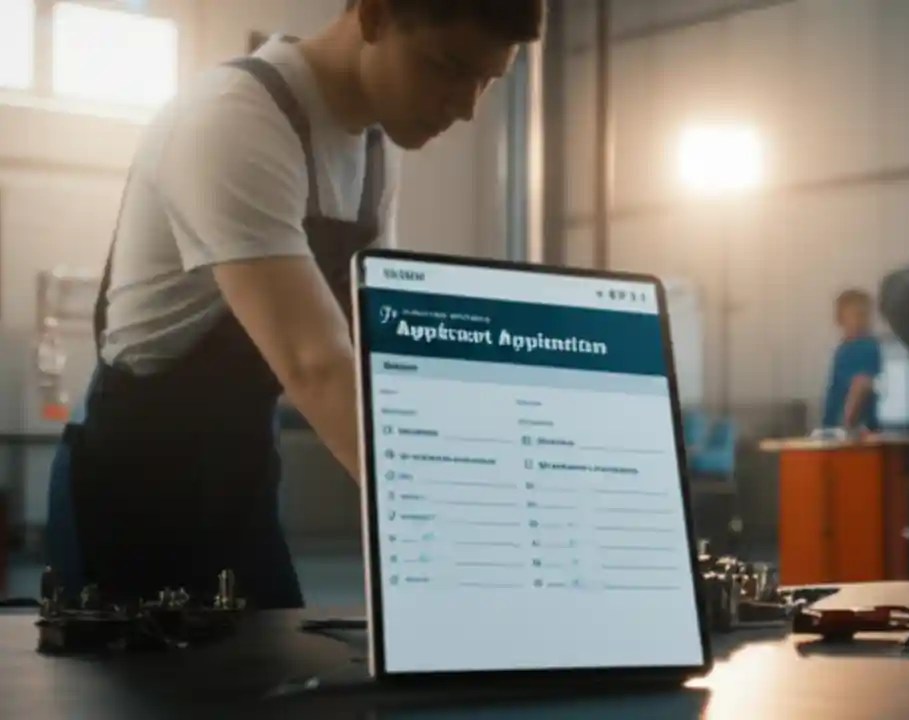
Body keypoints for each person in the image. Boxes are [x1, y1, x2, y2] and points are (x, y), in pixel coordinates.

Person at [45, 0, 545, 609]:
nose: (467, 107)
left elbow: (375, 349)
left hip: (243, 474)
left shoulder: (374, 155)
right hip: (129, 484)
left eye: (487, 81)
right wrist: (457, 535)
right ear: (374, 16)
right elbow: (317, 362)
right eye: (447, 67)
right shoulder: (232, 118)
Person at [821, 289, 882, 433]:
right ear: (840, 319)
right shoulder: (844, 349)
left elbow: (861, 385)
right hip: (840, 430)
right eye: (858, 315)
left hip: (854, 432)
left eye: (865, 315)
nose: (862, 321)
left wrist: (846, 426)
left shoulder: (865, 347)